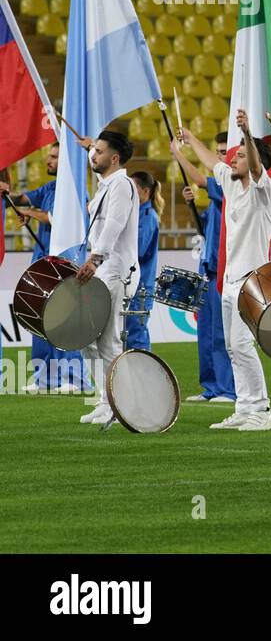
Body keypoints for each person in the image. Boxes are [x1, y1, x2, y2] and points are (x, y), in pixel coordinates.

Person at [176, 111, 271, 431]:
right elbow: (210, 164)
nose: (234, 158)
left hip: (252, 280)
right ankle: (244, 407)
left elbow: (258, 167)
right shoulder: (232, 184)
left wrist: (247, 132)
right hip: (231, 278)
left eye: (242, 155)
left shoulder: (266, 190)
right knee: (234, 346)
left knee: (243, 345)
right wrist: (188, 141)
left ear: (257, 161)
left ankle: (261, 410)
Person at [2, 141, 89, 393]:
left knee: (66, 321)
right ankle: (45, 379)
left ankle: (75, 378)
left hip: (65, 264)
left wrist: (28, 212)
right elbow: (22, 198)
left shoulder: (74, 190)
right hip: (43, 263)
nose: (47, 160)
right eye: (49, 156)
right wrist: (6, 193)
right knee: (39, 319)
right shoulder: (50, 187)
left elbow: (56, 218)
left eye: (53, 157)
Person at [76, 131, 140, 426]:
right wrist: (89, 145)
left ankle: (117, 404)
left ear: (114, 158)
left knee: (109, 340)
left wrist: (94, 258)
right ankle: (106, 400)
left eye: (99, 152)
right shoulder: (107, 185)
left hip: (116, 270)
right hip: (102, 270)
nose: (93, 155)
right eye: (93, 150)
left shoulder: (122, 185)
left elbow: (113, 225)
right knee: (87, 337)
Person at [175, 130, 236, 402]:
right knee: (206, 331)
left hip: (226, 269)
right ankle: (211, 387)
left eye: (225, 152)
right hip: (208, 267)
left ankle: (228, 388)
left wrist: (179, 152)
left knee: (223, 333)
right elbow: (204, 226)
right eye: (219, 151)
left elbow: (200, 178)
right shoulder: (217, 195)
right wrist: (192, 203)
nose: (222, 156)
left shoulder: (231, 183)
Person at [122, 171, 161, 351]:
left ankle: (144, 376)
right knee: (128, 334)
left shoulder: (147, 216)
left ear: (145, 191)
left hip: (141, 287)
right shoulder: (136, 214)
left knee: (136, 335)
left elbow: (138, 250)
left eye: (133, 189)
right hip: (132, 285)